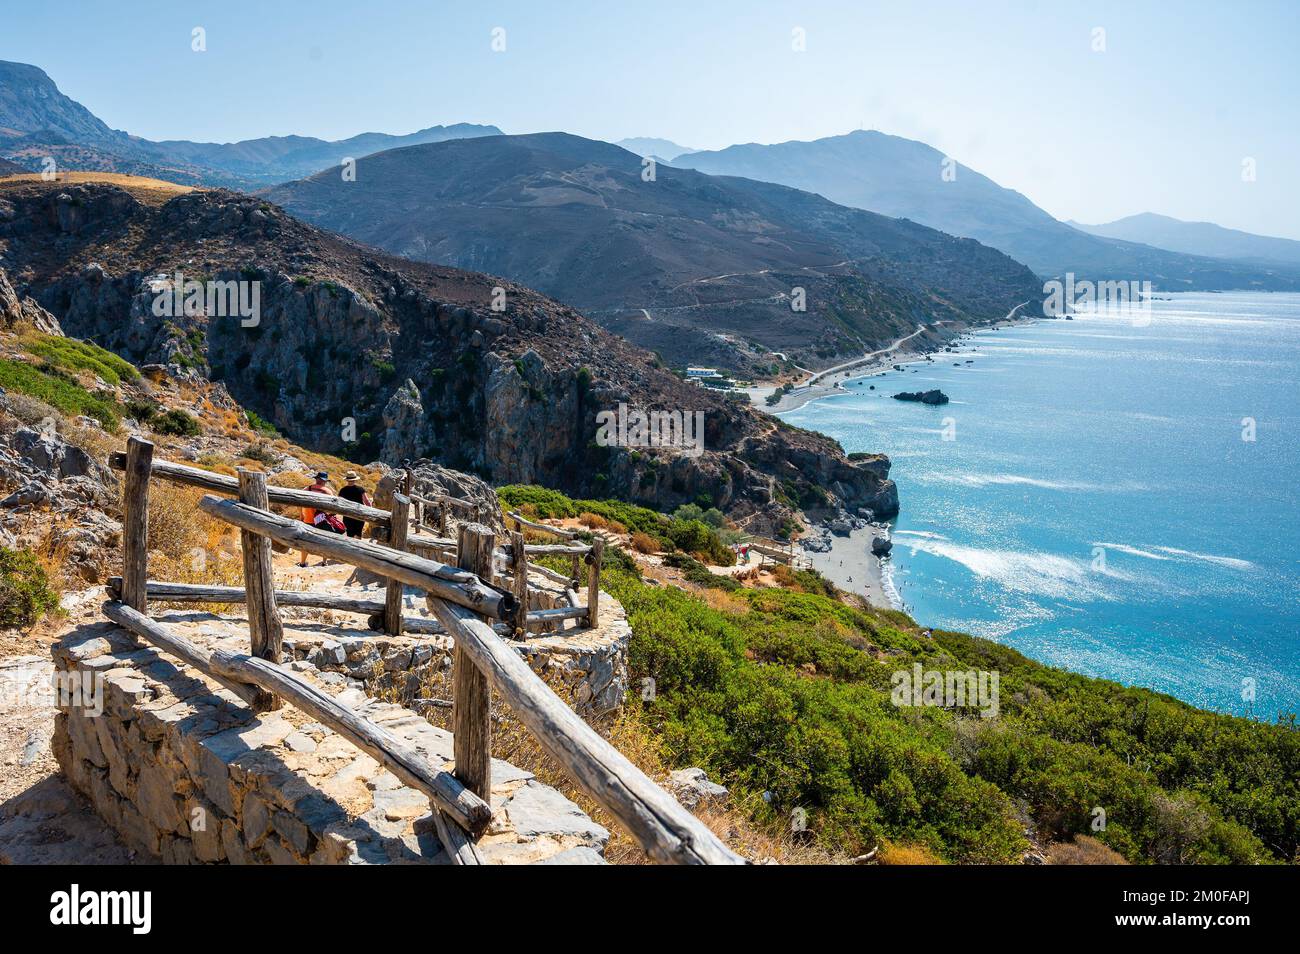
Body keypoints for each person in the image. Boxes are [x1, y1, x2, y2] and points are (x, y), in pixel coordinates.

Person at [298, 471, 342, 567]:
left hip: (307, 519)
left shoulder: (307, 489)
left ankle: (302, 563)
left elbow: (299, 504)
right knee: (325, 541)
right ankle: (324, 562)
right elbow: (333, 508)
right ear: (324, 481)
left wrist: (301, 516)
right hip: (321, 521)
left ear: (316, 479)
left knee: (305, 542)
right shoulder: (327, 492)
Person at [337, 470, 371, 537]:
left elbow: (339, 502)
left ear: (347, 480)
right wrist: (370, 511)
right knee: (358, 533)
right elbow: (367, 501)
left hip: (347, 514)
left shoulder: (343, 490)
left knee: (349, 533)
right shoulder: (360, 489)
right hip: (359, 513)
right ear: (355, 480)